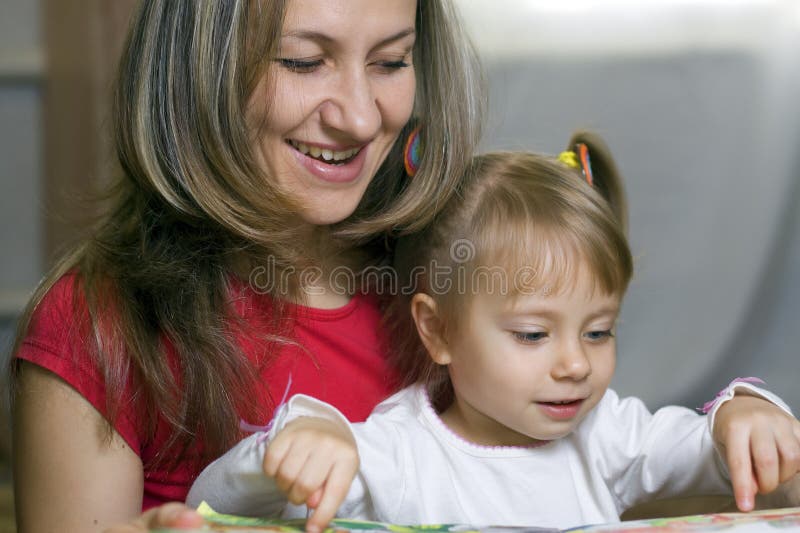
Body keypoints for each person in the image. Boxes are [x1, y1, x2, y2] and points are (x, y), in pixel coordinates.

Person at [7, 1, 485, 532]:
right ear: (195, 71)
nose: (361, 119)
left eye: (391, 62)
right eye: (303, 62)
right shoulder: (97, 326)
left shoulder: (449, 292)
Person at [186, 133, 800, 532]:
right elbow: (205, 506)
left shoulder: (604, 435)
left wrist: (743, 412)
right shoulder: (400, 456)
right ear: (438, 331)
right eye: (533, 335)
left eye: (598, 332)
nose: (575, 365)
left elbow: (712, 454)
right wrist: (291, 447)